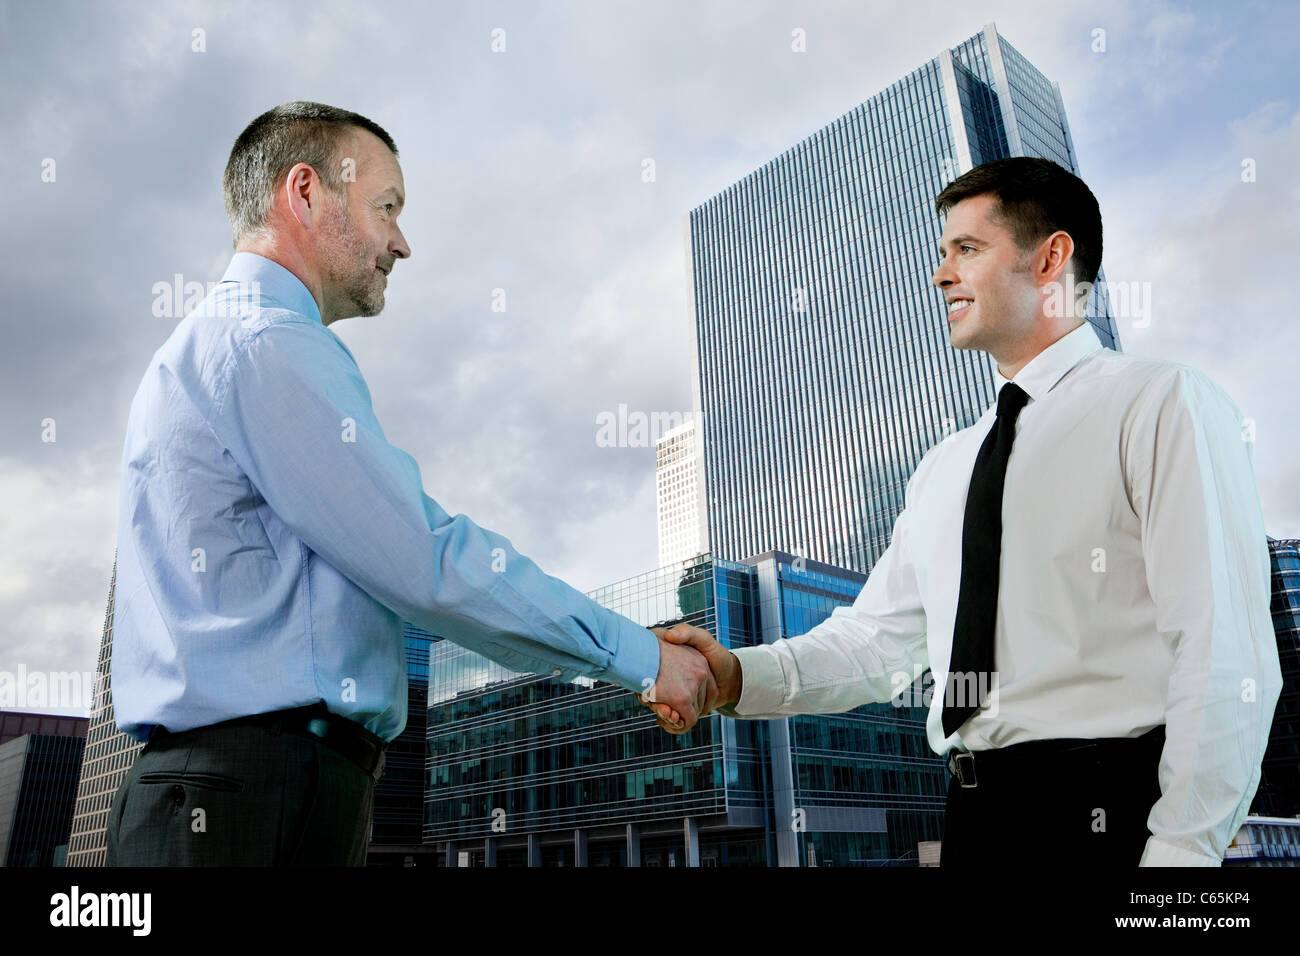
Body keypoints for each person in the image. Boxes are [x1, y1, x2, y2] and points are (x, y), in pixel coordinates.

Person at [107, 101, 714, 866]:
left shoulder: (215, 345)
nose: (402, 242)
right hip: (250, 803)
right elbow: (424, 561)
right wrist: (643, 655)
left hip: (238, 797)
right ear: (304, 193)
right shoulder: (267, 344)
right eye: (386, 207)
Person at [644, 156, 1282, 867]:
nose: (942, 274)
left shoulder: (1162, 402)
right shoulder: (946, 465)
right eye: (942, 255)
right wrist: (733, 676)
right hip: (974, 815)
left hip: (1115, 816)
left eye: (966, 250)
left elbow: (1223, 645)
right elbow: (875, 644)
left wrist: (1184, 852)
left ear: (1052, 258)